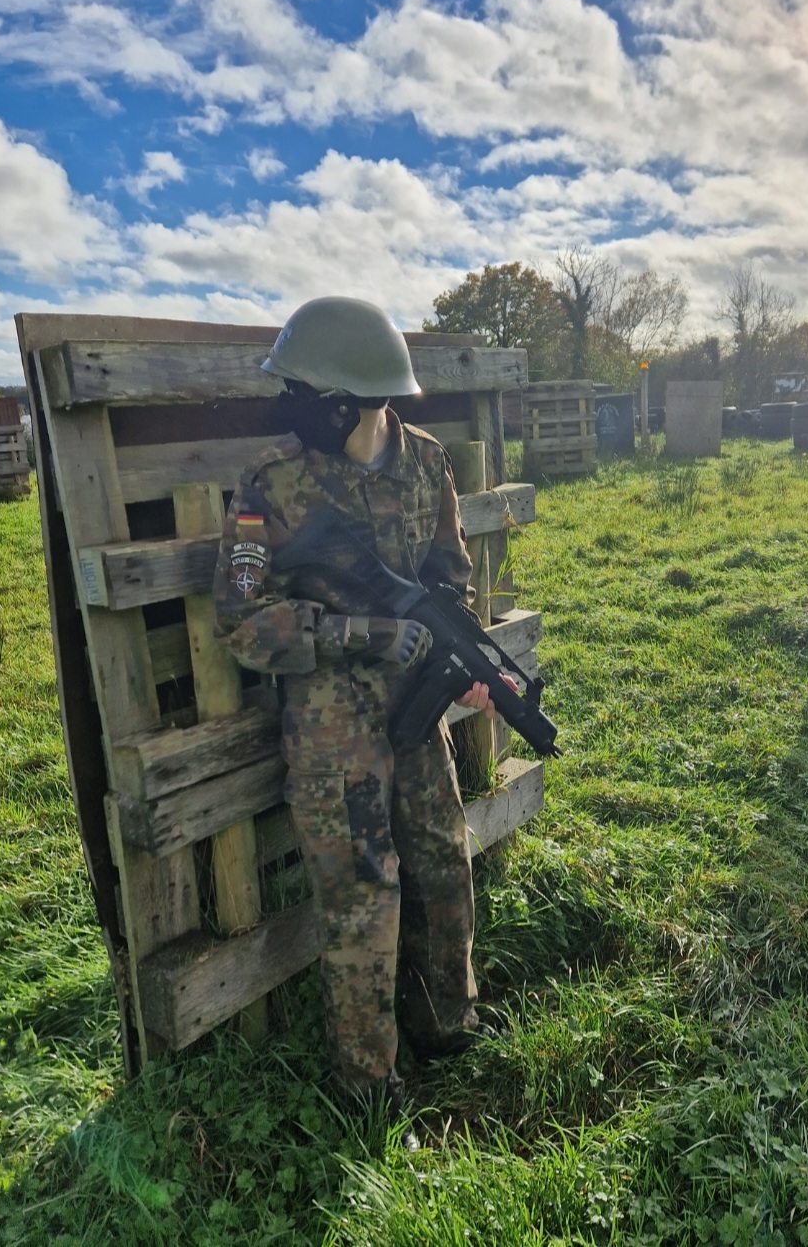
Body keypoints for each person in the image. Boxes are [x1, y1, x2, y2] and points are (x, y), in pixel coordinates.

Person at [212, 297, 494, 1148]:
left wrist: (463, 659)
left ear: (353, 402)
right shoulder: (270, 483)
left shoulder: (427, 463)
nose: (291, 406)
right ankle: (371, 1087)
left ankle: (448, 1020)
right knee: (363, 892)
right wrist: (353, 633)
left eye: (304, 393)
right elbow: (241, 619)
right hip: (332, 718)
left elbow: (450, 576)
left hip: (415, 705)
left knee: (442, 858)